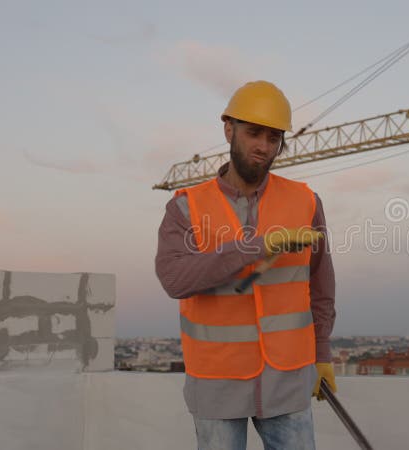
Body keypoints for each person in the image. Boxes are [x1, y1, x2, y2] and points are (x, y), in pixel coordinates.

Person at [155, 80, 336, 450]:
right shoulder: (185, 207)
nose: (263, 147)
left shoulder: (306, 202)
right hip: (216, 384)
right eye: (254, 133)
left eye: (273, 138)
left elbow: (320, 286)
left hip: (287, 383)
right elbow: (174, 279)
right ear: (228, 129)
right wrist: (254, 247)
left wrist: (322, 354)